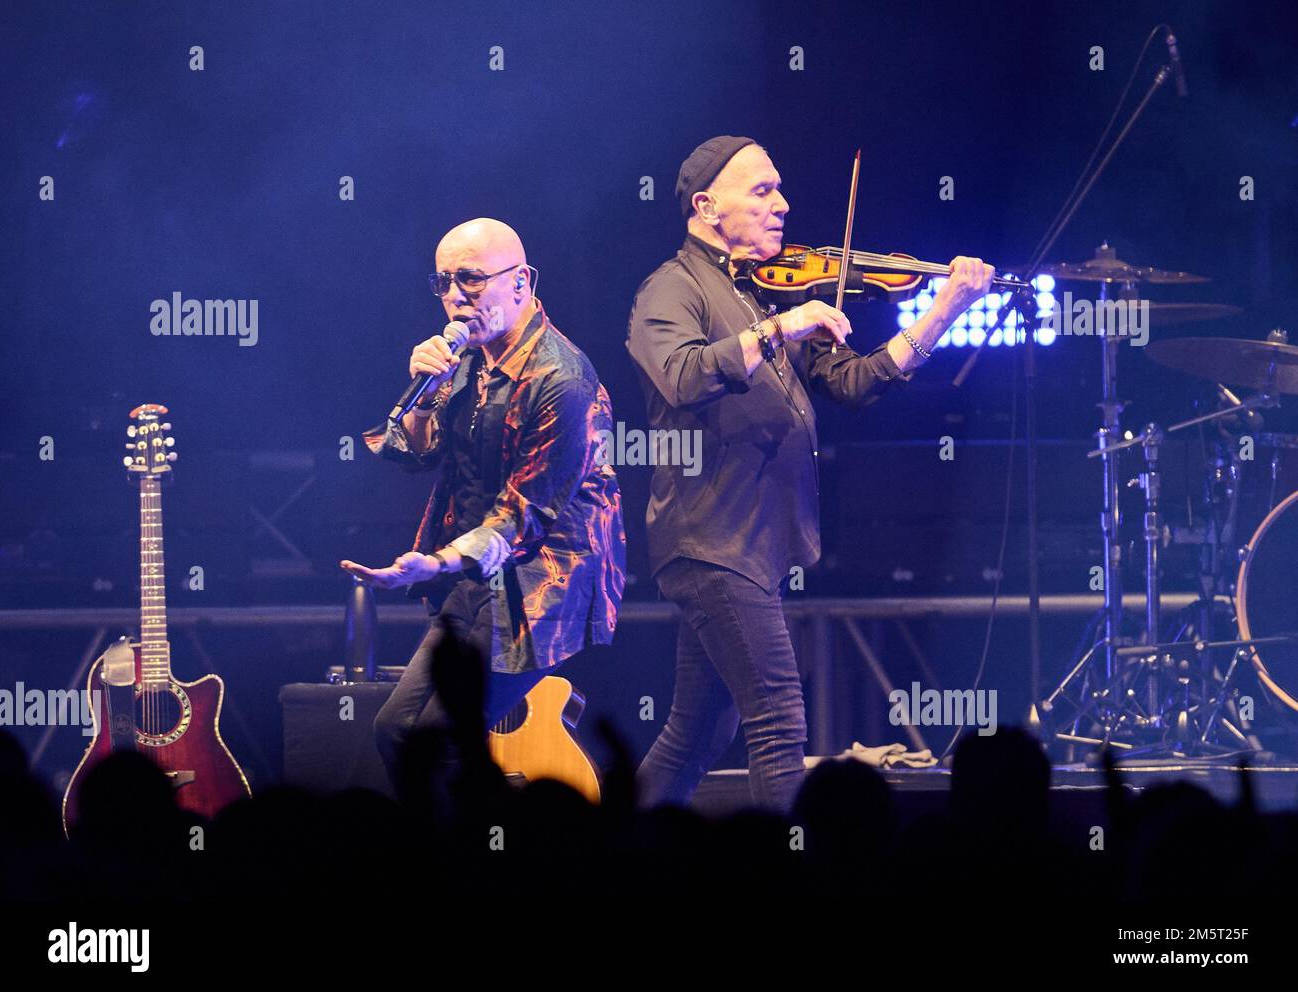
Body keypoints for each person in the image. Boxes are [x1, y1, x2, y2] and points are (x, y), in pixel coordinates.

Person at [626, 136, 994, 811]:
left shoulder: (766, 294)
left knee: (697, 733)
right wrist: (782, 330)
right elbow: (682, 375)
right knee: (778, 721)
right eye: (762, 191)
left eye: (780, 190)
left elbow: (854, 381)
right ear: (707, 206)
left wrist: (943, 313)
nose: (782, 206)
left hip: (752, 547)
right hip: (710, 541)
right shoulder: (671, 288)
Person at [342, 217, 626, 779]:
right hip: (476, 575)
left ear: (521, 281)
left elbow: (525, 514)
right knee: (395, 731)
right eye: (442, 281)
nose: (452, 297)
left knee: (439, 741)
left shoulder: (562, 380)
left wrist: (435, 561)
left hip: (544, 579)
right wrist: (423, 396)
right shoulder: (466, 357)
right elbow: (411, 451)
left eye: (469, 279)